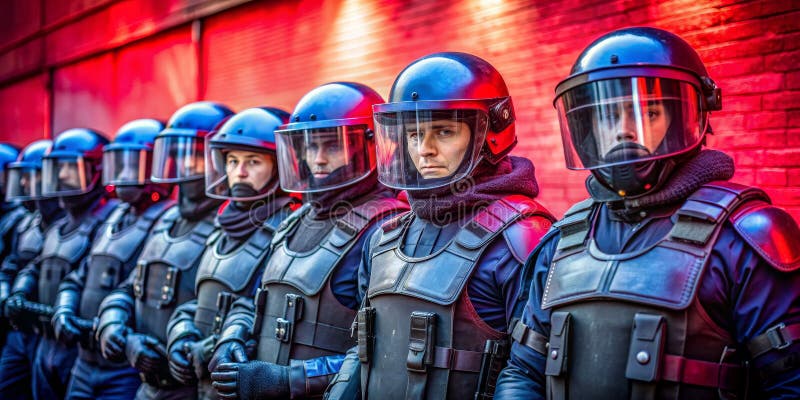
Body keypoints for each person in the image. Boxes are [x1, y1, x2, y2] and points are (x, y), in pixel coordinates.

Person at [494, 27, 800, 399]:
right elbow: (523, 371)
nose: (624, 131)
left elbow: (789, 385)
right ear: (586, 129)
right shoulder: (560, 241)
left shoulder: (747, 237)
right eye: (607, 116)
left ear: (685, 117)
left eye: (648, 111)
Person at [324, 53, 555, 400]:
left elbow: (528, 375)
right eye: (414, 134)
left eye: (444, 132)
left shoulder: (522, 237)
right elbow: (361, 350)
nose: (424, 150)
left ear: (489, 133)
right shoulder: (385, 237)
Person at [207, 82, 409, 399]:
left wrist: (289, 380)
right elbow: (253, 299)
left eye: (331, 146)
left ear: (368, 146)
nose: (317, 160)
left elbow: (386, 352)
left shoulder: (387, 226)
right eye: (310, 147)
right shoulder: (294, 220)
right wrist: (232, 336)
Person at [94, 101, 233, 400]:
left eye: (196, 158)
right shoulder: (165, 218)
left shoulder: (233, 225)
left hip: (193, 386)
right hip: (146, 383)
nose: (185, 167)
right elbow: (129, 288)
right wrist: (115, 326)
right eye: (179, 156)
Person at [164, 106, 300, 400]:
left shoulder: (288, 229)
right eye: (232, 161)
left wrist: (208, 349)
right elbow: (194, 302)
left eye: (253, 161)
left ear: (279, 166)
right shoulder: (220, 225)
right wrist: (181, 335)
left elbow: (263, 313)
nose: (239, 173)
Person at [55, 119, 175, 400]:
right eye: (118, 163)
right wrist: (65, 306)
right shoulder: (113, 216)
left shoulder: (167, 220)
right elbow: (79, 275)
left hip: (124, 364)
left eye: (132, 163)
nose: (123, 173)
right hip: (85, 360)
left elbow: (141, 292)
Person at [8, 128, 119, 400]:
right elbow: (33, 266)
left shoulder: (109, 220)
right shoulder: (57, 224)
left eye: (70, 167)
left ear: (96, 169)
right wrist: (18, 292)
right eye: (58, 168)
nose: (61, 176)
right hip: (44, 338)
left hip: (79, 343)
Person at [0, 139, 64, 400]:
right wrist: (7, 293)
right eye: (22, 177)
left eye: (31, 176)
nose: (24, 183)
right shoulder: (27, 224)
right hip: (21, 329)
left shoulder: (67, 225)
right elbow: (11, 266)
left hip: (52, 331)